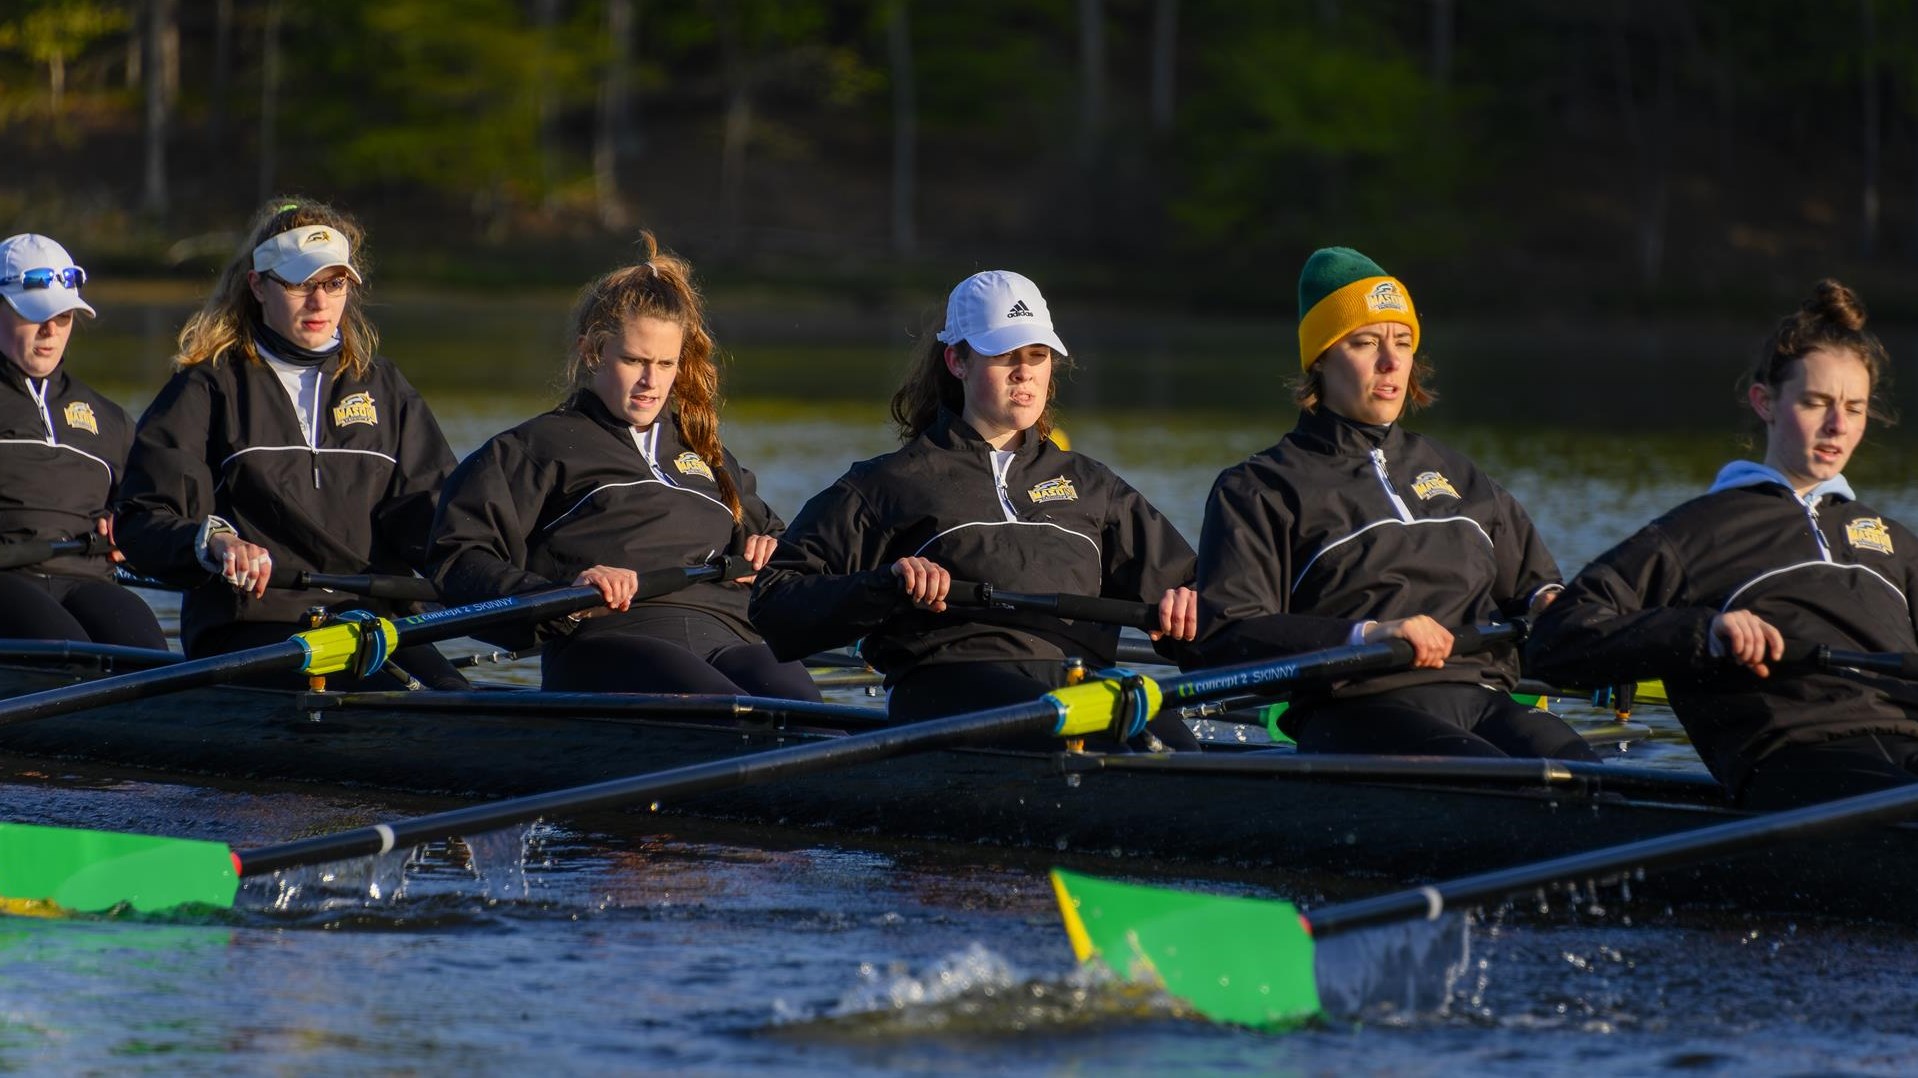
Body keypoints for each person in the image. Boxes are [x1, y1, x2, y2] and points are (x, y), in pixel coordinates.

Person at [749, 269, 1200, 748]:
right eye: (1004, 354)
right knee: (1100, 741)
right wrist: (885, 585)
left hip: (1080, 686)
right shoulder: (887, 483)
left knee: (1181, 753)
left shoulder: (1093, 485)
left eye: (1038, 355)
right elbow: (775, 601)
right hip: (950, 684)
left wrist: (1188, 605)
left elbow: (1198, 592)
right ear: (957, 362)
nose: (1025, 371)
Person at [1189, 246, 1597, 762]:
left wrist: (1550, 603)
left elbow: (1533, 587)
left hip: (1481, 696)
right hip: (1355, 708)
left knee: (1584, 772)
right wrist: (1368, 634)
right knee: (1495, 777)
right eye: (1365, 343)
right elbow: (1228, 634)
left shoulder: (1461, 476)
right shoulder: (1261, 488)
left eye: (1403, 342)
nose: (1392, 361)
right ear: (1320, 359)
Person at [1529, 280, 1918, 808]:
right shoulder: (1696, 533)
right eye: (1816, 403)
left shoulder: (1894, 543)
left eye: (1855, 408)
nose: (1837, 426)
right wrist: (1703, 632)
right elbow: (1555, 640)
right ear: (1765, 402)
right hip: (1798, 754)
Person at [429, 235, 820, 701]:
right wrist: (565, 597)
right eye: (634, 360)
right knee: (726, 711)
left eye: (666, 364)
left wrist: (771, 550)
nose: (651, 381)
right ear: (592, 352)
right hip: (612, 638)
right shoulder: (532, 449)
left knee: (805, 708)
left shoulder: (706, 453)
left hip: (731, 632)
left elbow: (779, 544)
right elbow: (458, 558)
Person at [115, 199, 465, 689]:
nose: (320, 302)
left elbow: (438, 521)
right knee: (410, 707)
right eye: (301, 284)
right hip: (253, 624)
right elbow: (141, 519)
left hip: (369, 623)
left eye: (334, 283)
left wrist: (515, 569)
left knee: (453, 699)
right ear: (258, 286)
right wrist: (214, 541)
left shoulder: (385, 389)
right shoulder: (208, 387)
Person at [0, 234, 165, 649]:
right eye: (34, 314)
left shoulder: (109, 419)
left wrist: (128, 522)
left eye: (63, 316)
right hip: (8, 576)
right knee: (68, 654)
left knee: (147, 654)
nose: (50, 330)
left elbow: (148, 509)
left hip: (87, 576)